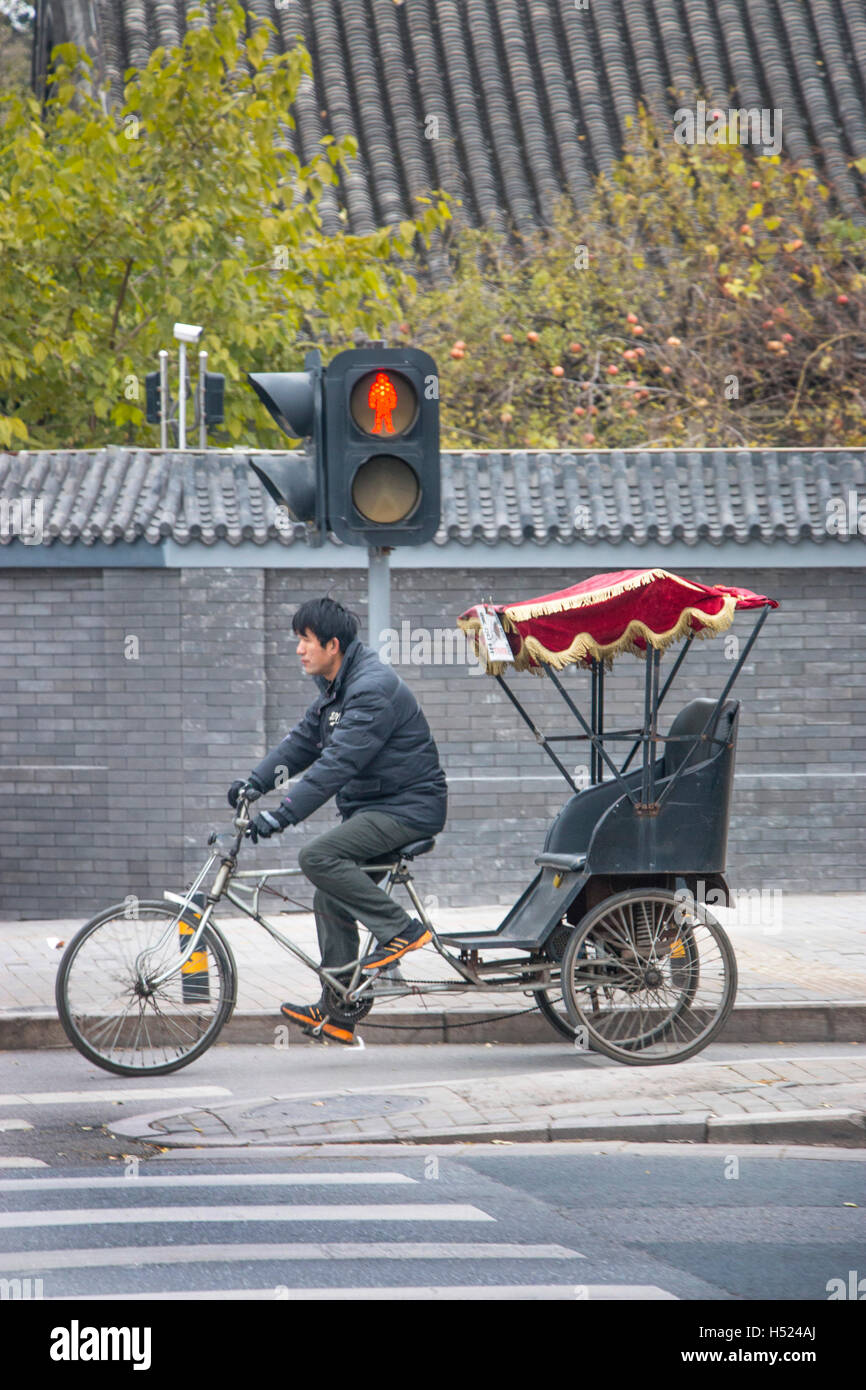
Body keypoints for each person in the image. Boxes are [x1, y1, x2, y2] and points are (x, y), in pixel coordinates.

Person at [227, 597, 447, 1045]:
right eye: (298, 641)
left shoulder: (370, 690)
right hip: (377, 809)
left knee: (319, 857)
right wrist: (254, 783)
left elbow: (337, 764)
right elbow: (302, 744)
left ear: (333, 644)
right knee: (330, 891)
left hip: (408, 809)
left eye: (306, 641)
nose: (299, 650)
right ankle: (340, 1010)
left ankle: (403, 931)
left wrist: (281, 815)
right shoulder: (335, 690)